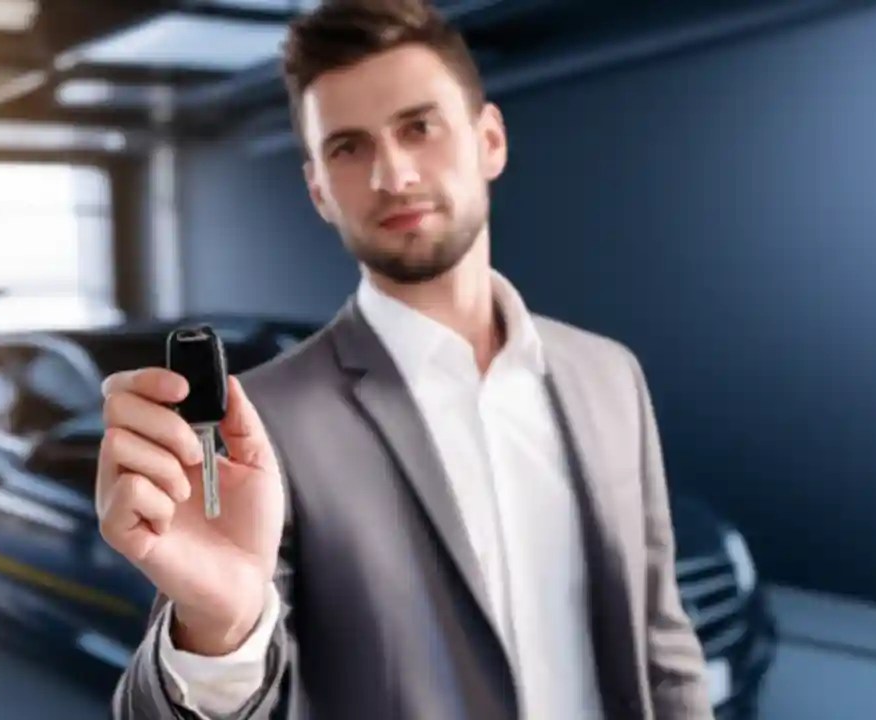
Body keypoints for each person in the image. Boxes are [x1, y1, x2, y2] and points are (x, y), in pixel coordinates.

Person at [96, 0, 711, 717]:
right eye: (348, 147)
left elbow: (661, 643)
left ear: (490, 140)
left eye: (419, 127)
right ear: (319, 189)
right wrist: (220, 630)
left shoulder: (609, 376)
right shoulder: (258, 429)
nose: (392, 175)